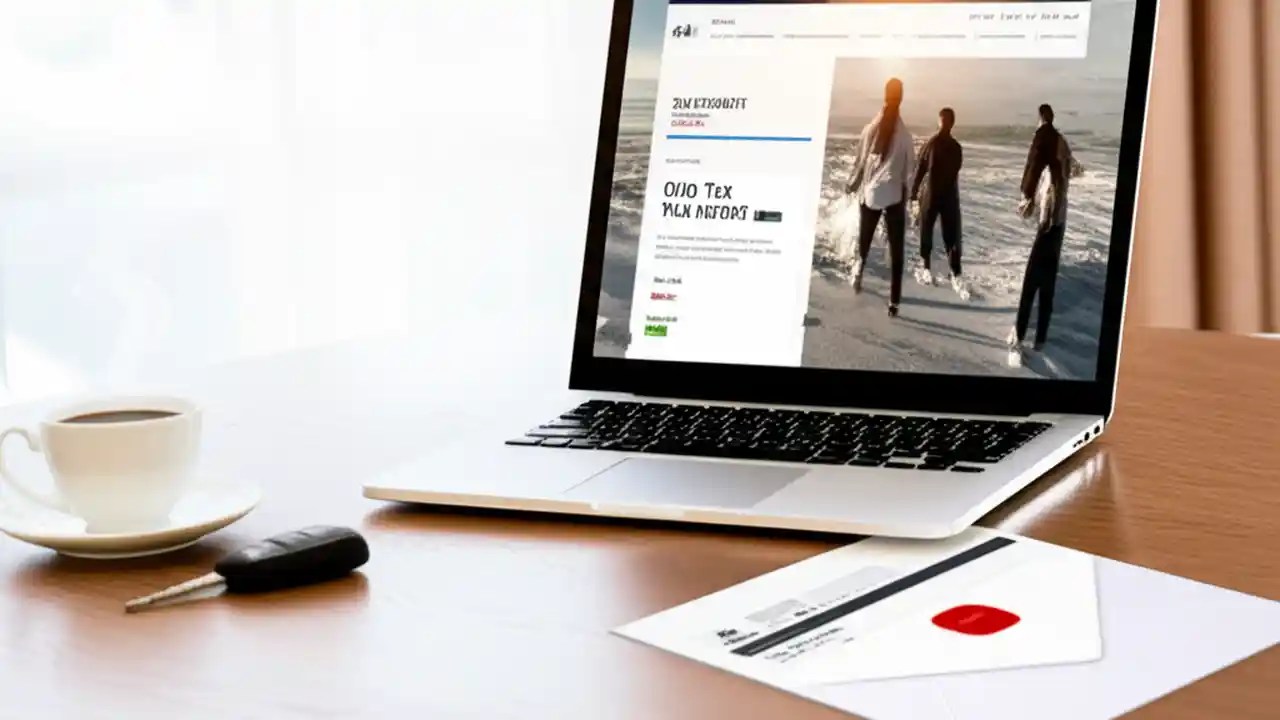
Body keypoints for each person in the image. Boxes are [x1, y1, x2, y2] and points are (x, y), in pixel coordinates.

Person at [1008, 103, 1082, 367]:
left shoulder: (1045, 136)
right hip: (1060, 217)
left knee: (1031, 280)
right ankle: (1040, 338)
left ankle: (1018, 334)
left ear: (1041, 118)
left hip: (1049, 218)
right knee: (1048, 279)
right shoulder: (1061, 141)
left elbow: (1035, 161)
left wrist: (1026, 193)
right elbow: (1073, 168)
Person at [845, 77, 915, 318]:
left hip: (870, 195)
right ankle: (894, 302)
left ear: (884, 96)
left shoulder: (869, 129)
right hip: (894, 197)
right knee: (897, 252)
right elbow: (910, 174)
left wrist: (854, 183)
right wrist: (910, 202)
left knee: (864, 238)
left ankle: (858, 271)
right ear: (902, 99)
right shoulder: (905, 136)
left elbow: (860, 161)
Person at [910, 107, 968, 299]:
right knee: (951, 236)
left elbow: (920, 171)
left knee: (926, 230)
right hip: (949, 196)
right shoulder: (956, 147)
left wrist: (913, 194)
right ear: (952, 123)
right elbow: (955, 172)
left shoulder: (930, 144)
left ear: (940, 121)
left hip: (932, 195)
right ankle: (955, 274)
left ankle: (926, 268)